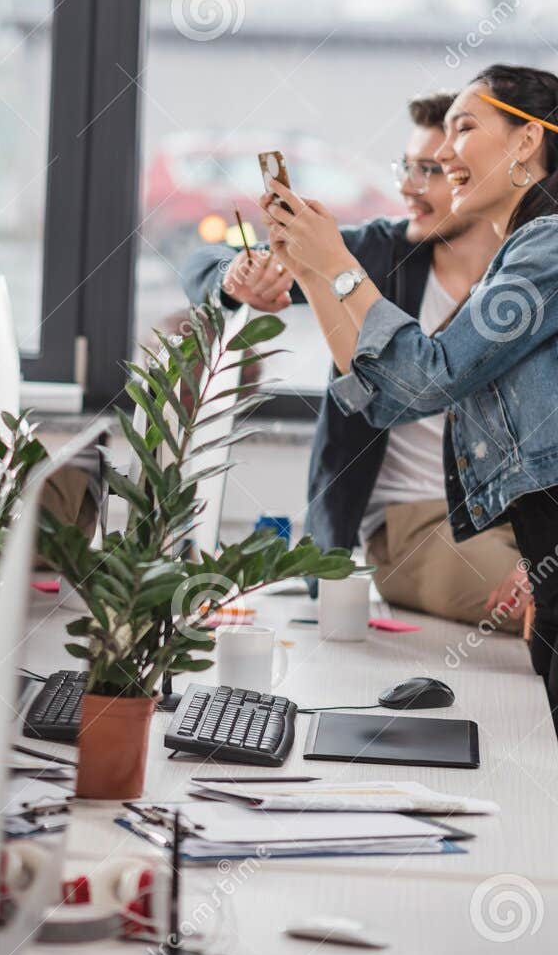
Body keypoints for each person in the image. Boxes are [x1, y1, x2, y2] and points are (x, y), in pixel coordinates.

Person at [263, 64, 558, 724]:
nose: (443, 154)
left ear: (525, 142)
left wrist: (334, 267)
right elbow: (397, 395)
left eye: (464, 129)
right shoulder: (523, 248)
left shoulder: (547, 246)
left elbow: (429, 377)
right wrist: (316, 270)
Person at [181, 94, 526, 631]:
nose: (409, 186)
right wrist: (235, 279)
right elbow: (200, 261)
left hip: (516, 514)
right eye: (406, 168)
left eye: (431, 171)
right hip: (416, 522)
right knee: (534, 608)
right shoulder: (375, 257)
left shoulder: (529, 274)